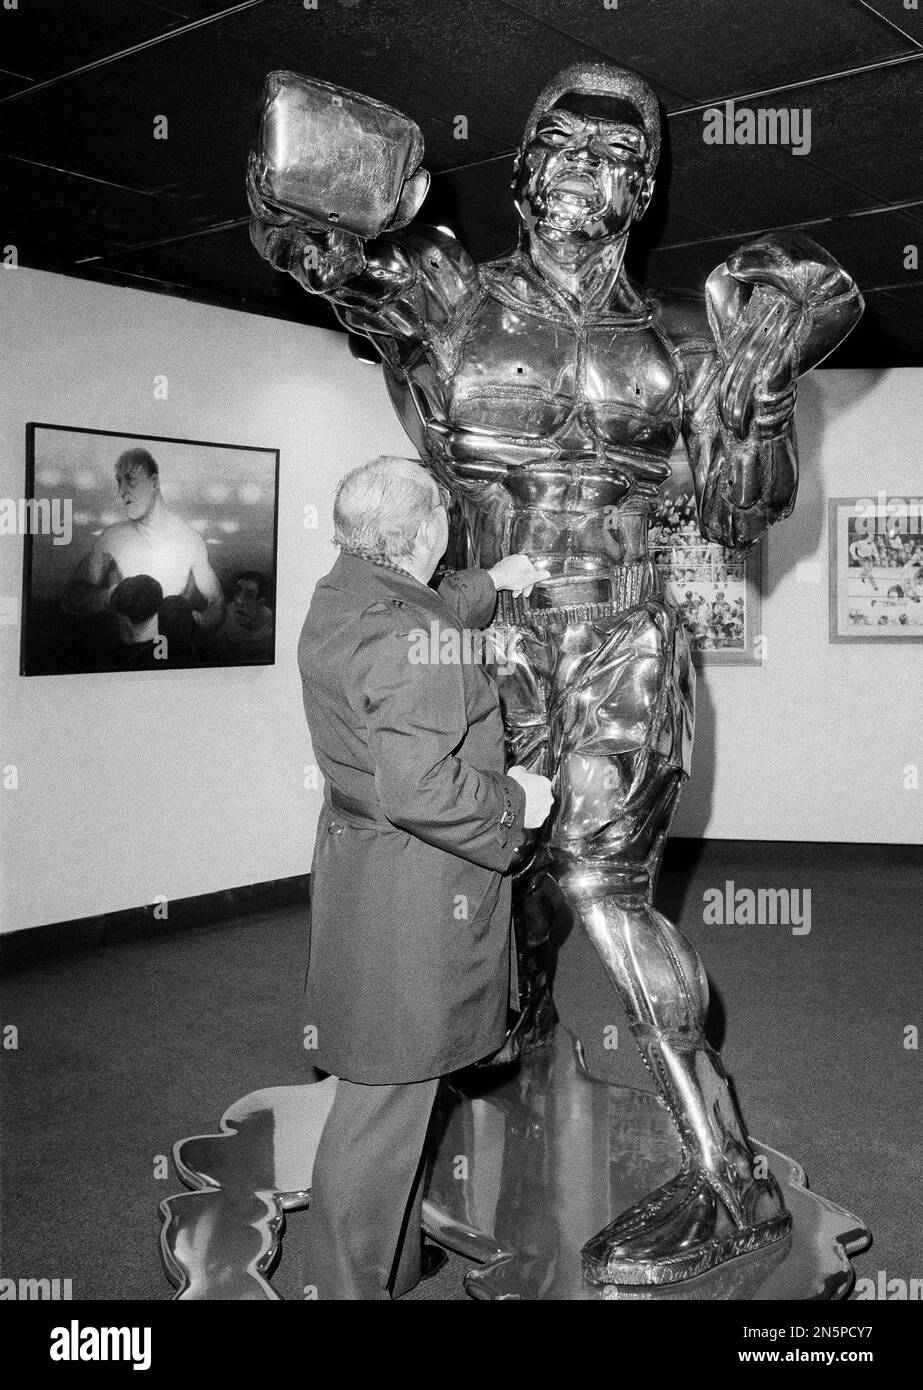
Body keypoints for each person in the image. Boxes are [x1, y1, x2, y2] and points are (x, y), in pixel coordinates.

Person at [250, 62, 862, 1285]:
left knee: (597, 887)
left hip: (621, 639)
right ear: (524, 167)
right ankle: (474, 1124)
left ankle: (723, 1170)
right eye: (565, 145)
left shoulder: (682, 338)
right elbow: (303, 243)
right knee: (482, 886)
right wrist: (325, 182)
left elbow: (739, 510)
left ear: (646, 188)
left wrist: (762, 372)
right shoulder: (447, 294)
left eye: (619, 154)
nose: (589, 168)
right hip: (480, 639)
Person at [298, 454, 553, 1299]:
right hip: (412, 889)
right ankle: (346, 1287)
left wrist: (498, 578)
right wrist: (517, 803)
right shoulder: (411, 642)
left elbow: (427, 605)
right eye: (443, 511)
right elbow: (424, 791)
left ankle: (396, 1264)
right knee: (383, 1105)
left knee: (399, 1085)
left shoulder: (345, 593)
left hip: (364, 873)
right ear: (422, 532)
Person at [62, 447, 226, 648]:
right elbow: (71, 599)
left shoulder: (190, 541)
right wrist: (112, 595)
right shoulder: (112, 538)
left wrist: (192, 626)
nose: (122, 491)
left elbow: (217, 602)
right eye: (119, 481)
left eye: (130, 479)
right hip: (124, 659)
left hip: (171, 660)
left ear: (154, 483)